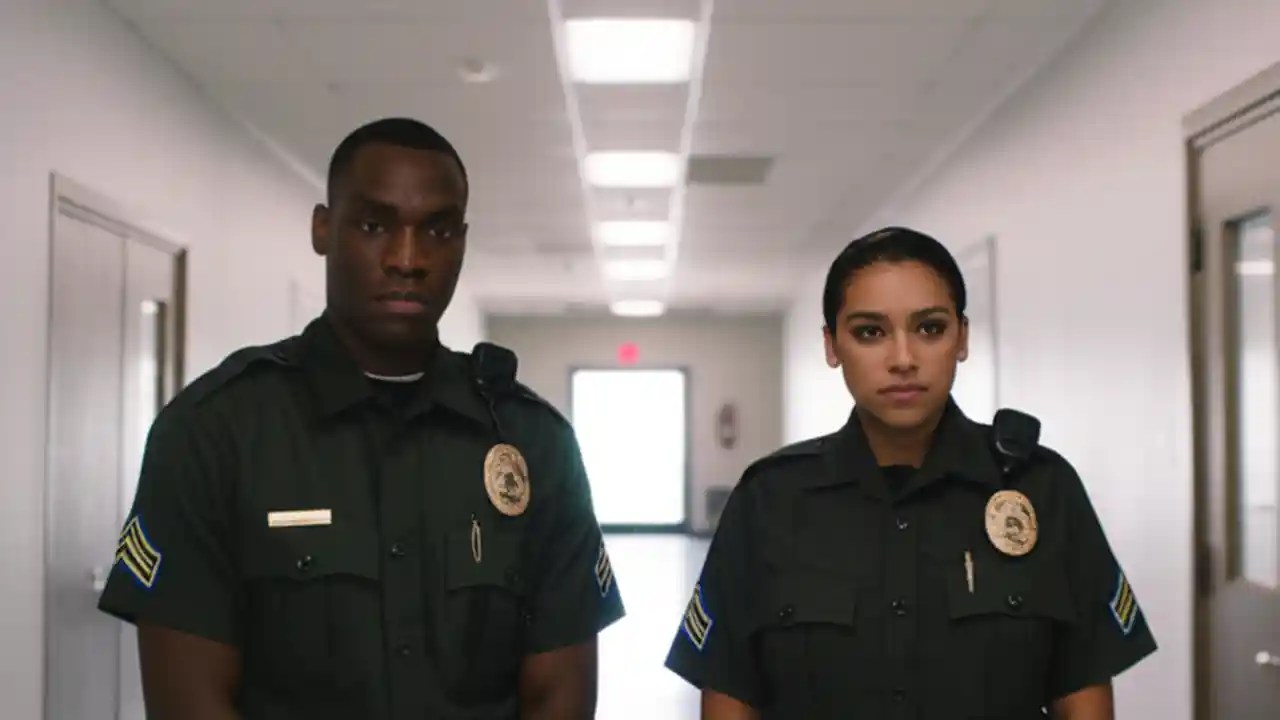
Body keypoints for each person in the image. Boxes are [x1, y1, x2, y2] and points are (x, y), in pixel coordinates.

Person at [98, 117, 624, 719]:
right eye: (375, 225)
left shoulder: (534, 442)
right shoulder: (216, 432)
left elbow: (559, 694)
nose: (408, 258)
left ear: (462, 241)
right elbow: (189, 703)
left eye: (438, 229)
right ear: (324, 229)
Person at [664, 227, 1157, 719]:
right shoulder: (769, 500)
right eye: (870, 332)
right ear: (832, 346)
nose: (903, 359)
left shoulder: (1043, 490)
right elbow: (730, 693)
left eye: (929, 328)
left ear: (961, 338)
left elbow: (1083, 695)